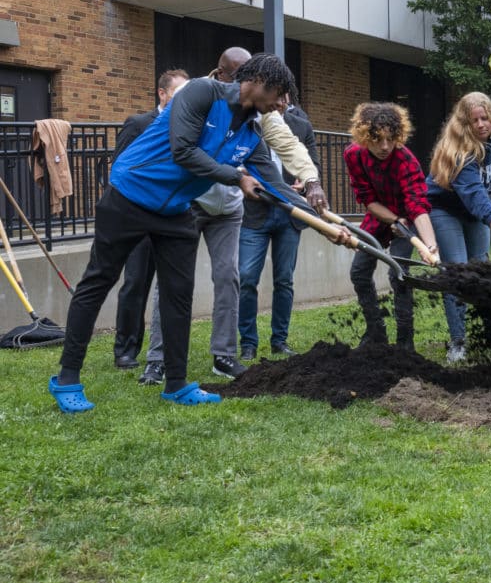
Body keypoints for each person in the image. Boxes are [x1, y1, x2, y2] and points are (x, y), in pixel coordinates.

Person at [48, 54, 337, 412]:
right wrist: (236, 177)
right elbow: (182, 151)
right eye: (279, 93)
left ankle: (176, 383)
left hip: (174, 211)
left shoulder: (252, 130)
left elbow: (274, 183)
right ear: (258, 80)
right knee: (99, 281)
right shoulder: (202, 92)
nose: (282, 103)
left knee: (178, 294)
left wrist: (323, 222)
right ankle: (67, 379)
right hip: (130, 195)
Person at [425, 92, 491, 362]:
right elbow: (474, 192)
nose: (481, 124)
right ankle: (458, 341)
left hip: (478, 210)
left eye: (485, 118)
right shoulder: (458, 148)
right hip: (445, 209)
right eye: (474, 120)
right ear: (465, 123)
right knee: (458, 271)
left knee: (482, 269)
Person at [111, 68, 189, 370]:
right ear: (162, 93)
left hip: (172, 217)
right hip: (138, 218)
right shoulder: (138, 124)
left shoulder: (189, 126)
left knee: (171, 287)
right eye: (178, 92)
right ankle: (126, 348)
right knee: (136, 283)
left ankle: (167, 350)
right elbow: (120, 168)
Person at [344, 102, 439, 351]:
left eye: (390, 139)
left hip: (409, 219)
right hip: (380, 215)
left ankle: (405, 341)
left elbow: (417, 206)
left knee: (400, 274)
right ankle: (376, 332)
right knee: (359, 272)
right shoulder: (354, 155)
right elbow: (368, 199)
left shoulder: (406, 159)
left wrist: (429, 245)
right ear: (365, 136)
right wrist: (392, 220)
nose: (385, 146)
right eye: (377, 139)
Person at [236, 94, 321, 359]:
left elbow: (313, 164)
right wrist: (243, 175)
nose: (280, 102)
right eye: (276, 96)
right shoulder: (249, 121)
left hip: (290, 214)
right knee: (248, 278)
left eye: (284, 97)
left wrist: (305, 182)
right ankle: (248, 343)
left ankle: (280, 341)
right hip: (255, 213)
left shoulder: (301, 126)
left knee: (284, 279)